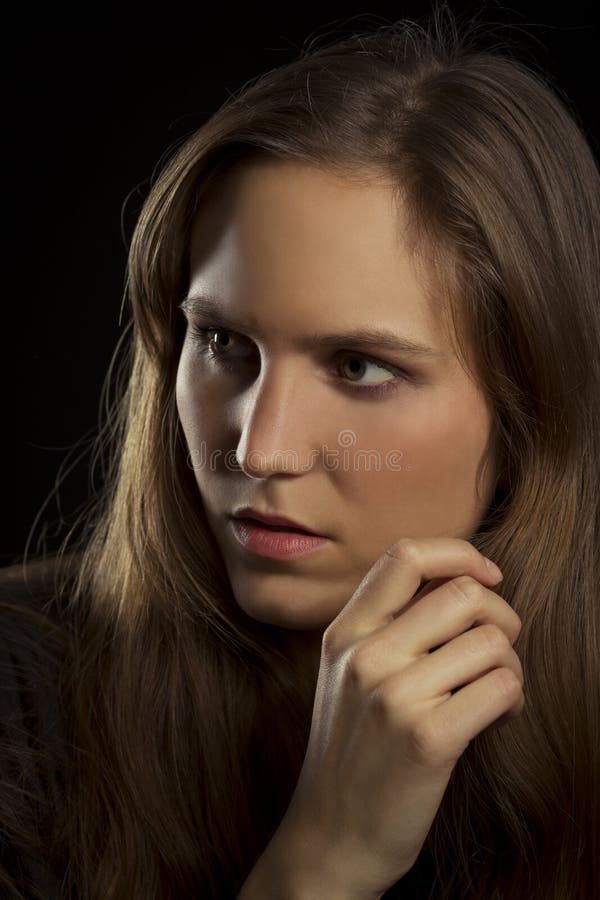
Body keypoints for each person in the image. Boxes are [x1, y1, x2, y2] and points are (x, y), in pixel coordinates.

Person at [2, 5, 598, 899]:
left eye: (359, 366)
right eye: (223, 344)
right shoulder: (16, 694)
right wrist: (324, 862)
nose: (260, 448)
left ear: (527, 408)